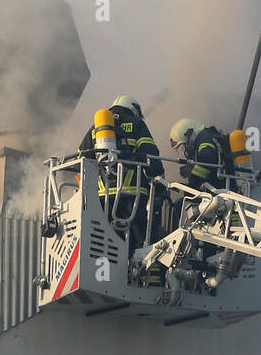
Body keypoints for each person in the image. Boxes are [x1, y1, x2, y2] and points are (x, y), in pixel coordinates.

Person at [79, 94, 164, 252]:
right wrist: (160, 184)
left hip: (101, 196)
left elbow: (81, 158)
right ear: (134, 110)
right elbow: (151, 154)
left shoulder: (95, 129)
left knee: (103, 239)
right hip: (132, 193)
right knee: (136, 239)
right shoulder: (137, 124)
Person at [168, 117, 235, 192]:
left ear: (190, 134)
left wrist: (192, 185)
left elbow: (206, 160)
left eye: (184, 145)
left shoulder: (205, 141)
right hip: (221, 187)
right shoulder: (207, 136)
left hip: (223, 190)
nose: (185, 149)